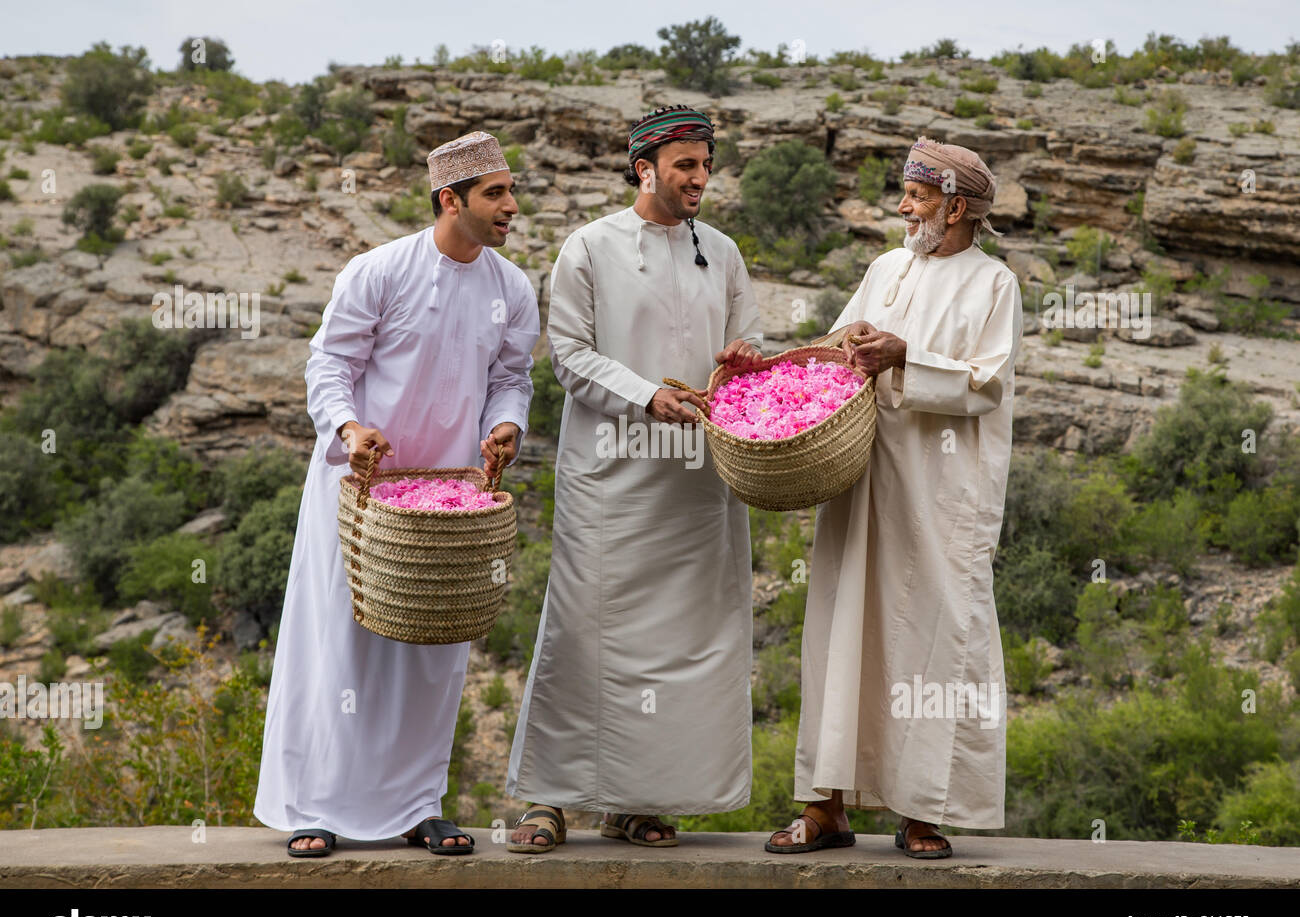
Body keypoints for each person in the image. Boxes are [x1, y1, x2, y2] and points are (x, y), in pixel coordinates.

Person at [254, 131, 539, 857]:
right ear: (451, 200)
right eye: (496, 193)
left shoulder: (512, 287)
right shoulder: (378, 270)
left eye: (511, 191)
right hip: (359, 488)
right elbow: (330, 363)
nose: (513, 206)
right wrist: (350, 429)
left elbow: (512, 377)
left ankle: (418, 804)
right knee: (340, 645)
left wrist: (505, 426)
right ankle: (315, 805)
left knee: (432, 652)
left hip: (447, 499)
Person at [505, 105, 764, 852]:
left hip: (699, 484)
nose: (700, 179)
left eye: (707, 165)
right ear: (644, 166)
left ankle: (640, 800)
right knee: (582, 634)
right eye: (686, 165)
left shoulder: (724, 251)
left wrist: (743, 358)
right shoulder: (589, 247)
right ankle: (547, 800)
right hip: (611, 480)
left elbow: (747, 346)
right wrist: (647, 393)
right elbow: (570, 357)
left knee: (686, 643)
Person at [766, 136, 1022, 859]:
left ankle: (921, 809)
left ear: (957, 205)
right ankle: (825, 804)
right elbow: (837, 346)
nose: (903, 206)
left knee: (930, 640)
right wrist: (772, 361)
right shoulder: (884, 268)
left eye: (916, 194)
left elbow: (988, 382)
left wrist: (906, 356)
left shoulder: (993, 283)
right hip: (862, 481)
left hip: (941, 493)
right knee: (839, 632)